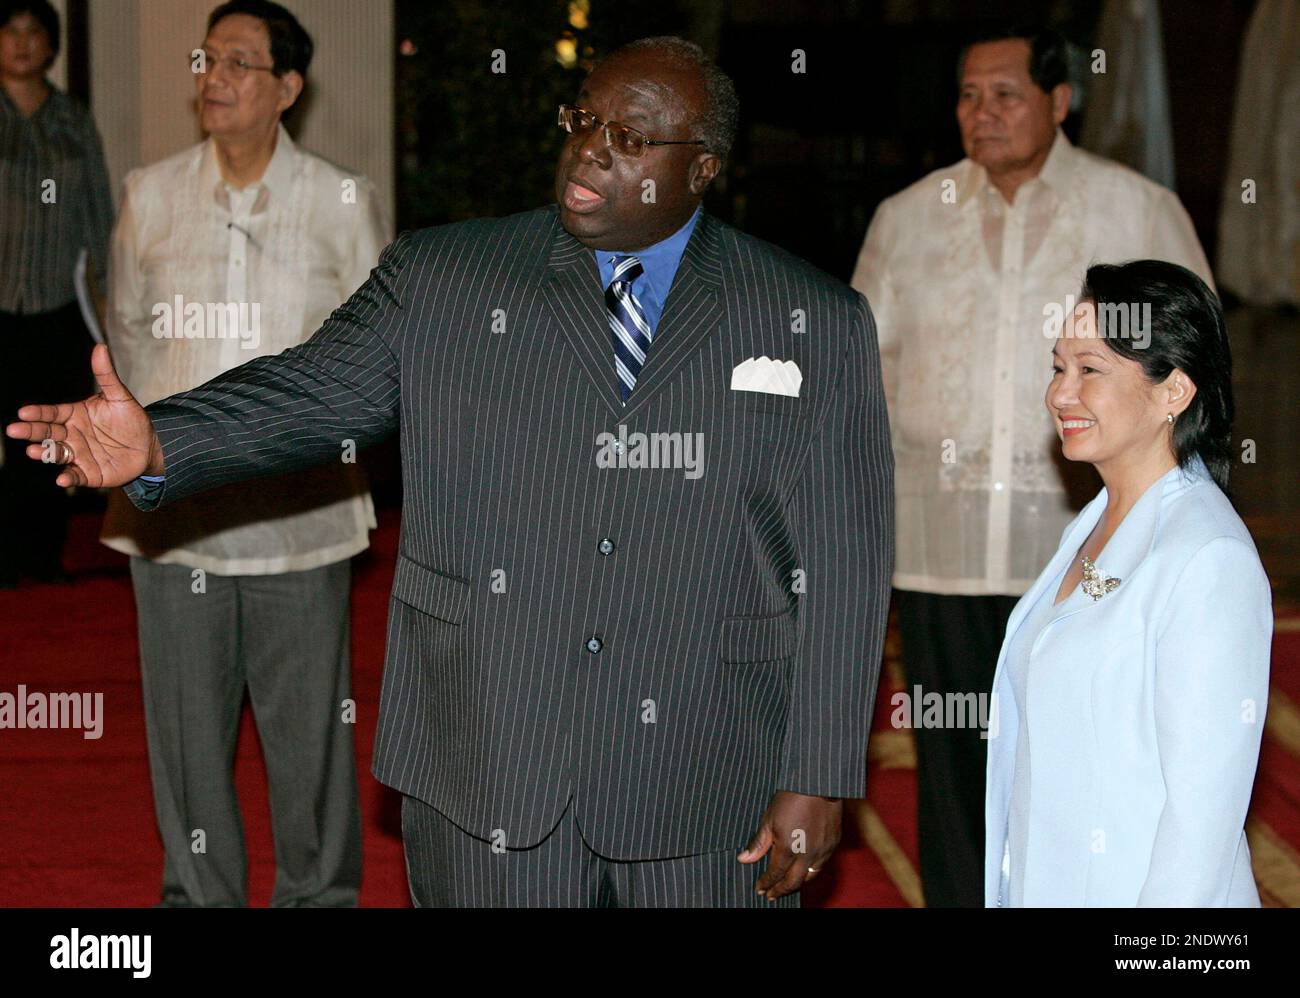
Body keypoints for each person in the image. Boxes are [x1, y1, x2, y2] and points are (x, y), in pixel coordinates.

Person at [8, 36, 894, 908]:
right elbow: (314, 391)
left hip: (708, 777)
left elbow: (845, 560)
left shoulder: (808, 318)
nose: (591, 148)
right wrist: (161, 440)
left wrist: (819, 773)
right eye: (583, 120)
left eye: (630, 138)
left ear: (702, 169)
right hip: (488, 764)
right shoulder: (448, 277)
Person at [849, 22, 1214, 907]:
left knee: (1076, 765)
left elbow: (1195, 363)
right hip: (939, 547)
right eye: (969, 95)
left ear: (1059, 100)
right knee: (953, 774)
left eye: (1006, 94)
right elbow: (860, 376)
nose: (983, 112)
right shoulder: (907, 216)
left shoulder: (1136, 209)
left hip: (1086, 545)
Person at [98, 0, 390, 906]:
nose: (213, 77)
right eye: (206, 59)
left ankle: (319, 896)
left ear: (288, 87)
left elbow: (377, 359)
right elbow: (128, 335)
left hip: (298, 515)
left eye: (238, 62)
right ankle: (198, 896)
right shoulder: (150, 193)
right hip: (172, 514)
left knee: (310, 739)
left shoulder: (341, 200)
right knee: (187, 738)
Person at [985, 260, 1271, 906]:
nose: (1060, 394)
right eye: (1058, 367)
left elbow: (1200, 827)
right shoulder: (1090, 526)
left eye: (1090, 370)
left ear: (1175, 390)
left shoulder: (1209, 559)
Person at [0, 0, 113, 587]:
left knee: (47, 436)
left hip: (54, 311)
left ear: (51, 45)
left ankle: (41, 558)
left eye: (34, 32)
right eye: (10, 30)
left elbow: (100, 217)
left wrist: (115, 303)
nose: (22, 42)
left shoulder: (73, 119)